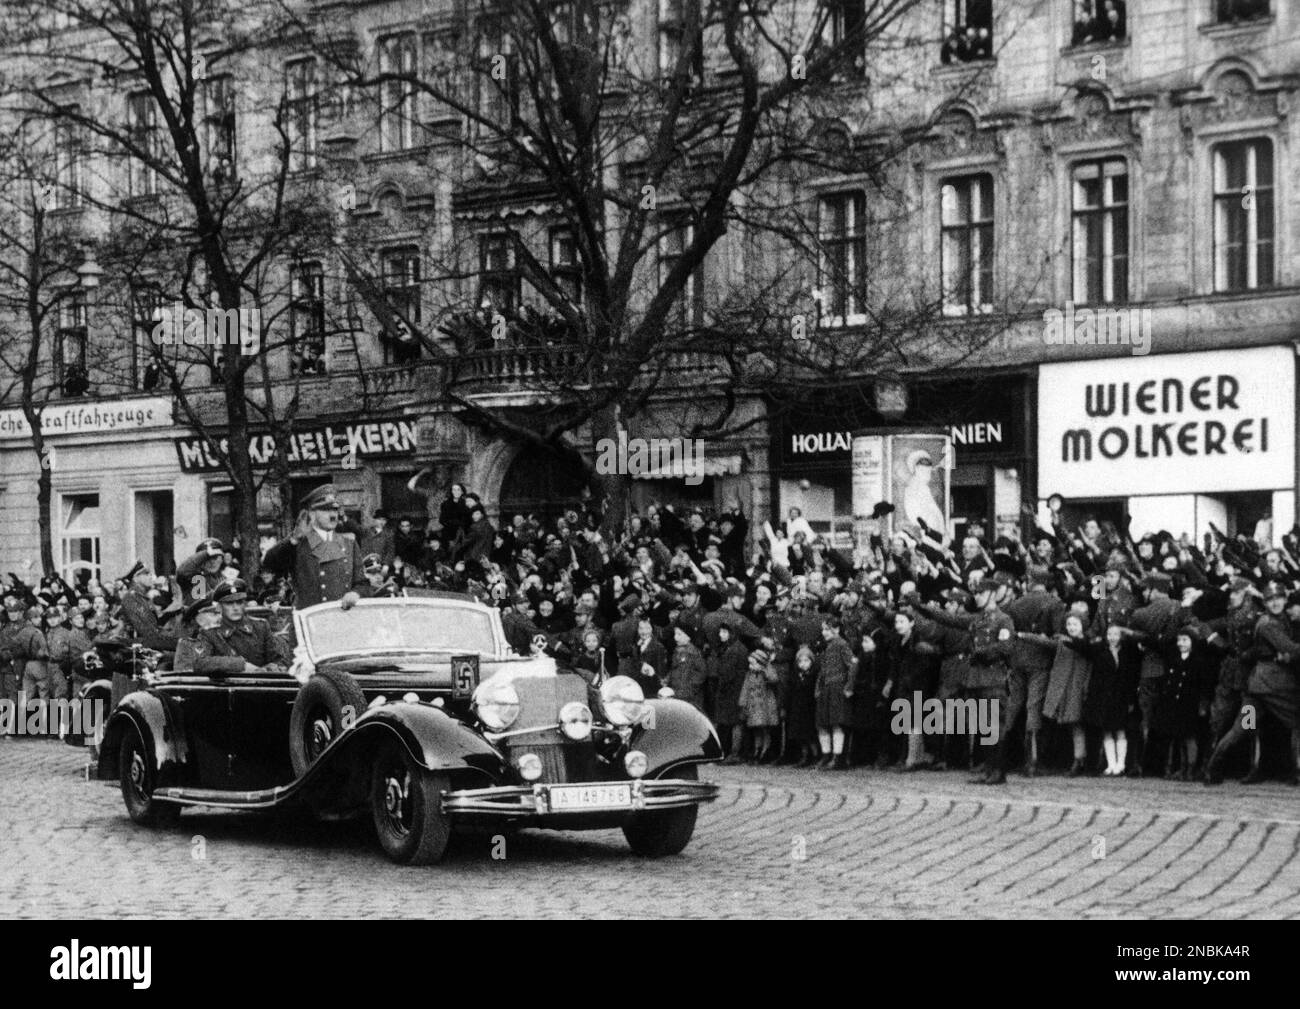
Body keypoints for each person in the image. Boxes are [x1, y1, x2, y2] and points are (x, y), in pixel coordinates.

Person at [262, 485, 368, 610]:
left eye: (334, 510)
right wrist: (294, 539)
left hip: (341, 619)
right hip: (311, 620)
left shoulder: (349, 544)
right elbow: (270, 563)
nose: (333, 515)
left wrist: (355, 593)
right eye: (325, 510)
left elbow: (362, 584)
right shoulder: (299, 545)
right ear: (311, 514)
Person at [192, 580, 293, 675]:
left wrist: (268, 670)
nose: (235, 608)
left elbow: (279, 660)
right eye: (229, 603)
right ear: (219, 607)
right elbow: (200, 662)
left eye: (239, 602)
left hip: (259, 687)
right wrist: (240, 665)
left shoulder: (261, 627)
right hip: (226, 688)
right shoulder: (209, 633)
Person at [814, 614, 856, 770]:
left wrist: (849, 687)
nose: (824, 632)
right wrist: (818, 689)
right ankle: (826, 755)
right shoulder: (827, 646)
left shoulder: (842, 644)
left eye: (828, 629)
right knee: (822, 723)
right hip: (825, 689)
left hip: (837, 688)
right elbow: (822, 671)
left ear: (837, 629)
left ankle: (837, 758)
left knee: (836, 723)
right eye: (823, 629)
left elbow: (852, 665)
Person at [739, 647, 781, 763]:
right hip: (754, 705)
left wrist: (764, 669)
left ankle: (765, 751)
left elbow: (774, 679)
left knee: (765, 729)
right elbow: (745, 689)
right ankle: (757, 750)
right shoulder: (749, 675)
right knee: (756, 730)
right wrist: (743, 703)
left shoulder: (766, 672)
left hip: (765, 706)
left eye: (753, 663)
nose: (750, 666)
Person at [175, 537, 228, 605]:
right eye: (207, 559)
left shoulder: (225, 579)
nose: (212, 562)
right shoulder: (191, 577)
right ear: (199, 561)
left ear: (222, 559)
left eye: (215, 558)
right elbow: (181, 571)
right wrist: (207, 552)